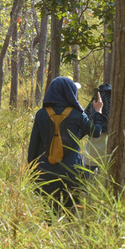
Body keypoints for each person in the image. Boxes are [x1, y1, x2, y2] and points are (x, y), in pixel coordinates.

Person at [27, 77, 103, 213]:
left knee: (49, 213)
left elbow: (33, 146)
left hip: (46, 171)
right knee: (72, 211)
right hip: (72, 171)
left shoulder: (41, 114)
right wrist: (98, 112)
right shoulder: (77, 114)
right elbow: (96, 132)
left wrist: (31, 171)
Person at [83, 83, 111, 173]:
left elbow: (82, 128)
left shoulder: (92, 107)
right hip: (110, 155)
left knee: (90, 179)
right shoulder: (116, 112)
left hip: (92, 154)